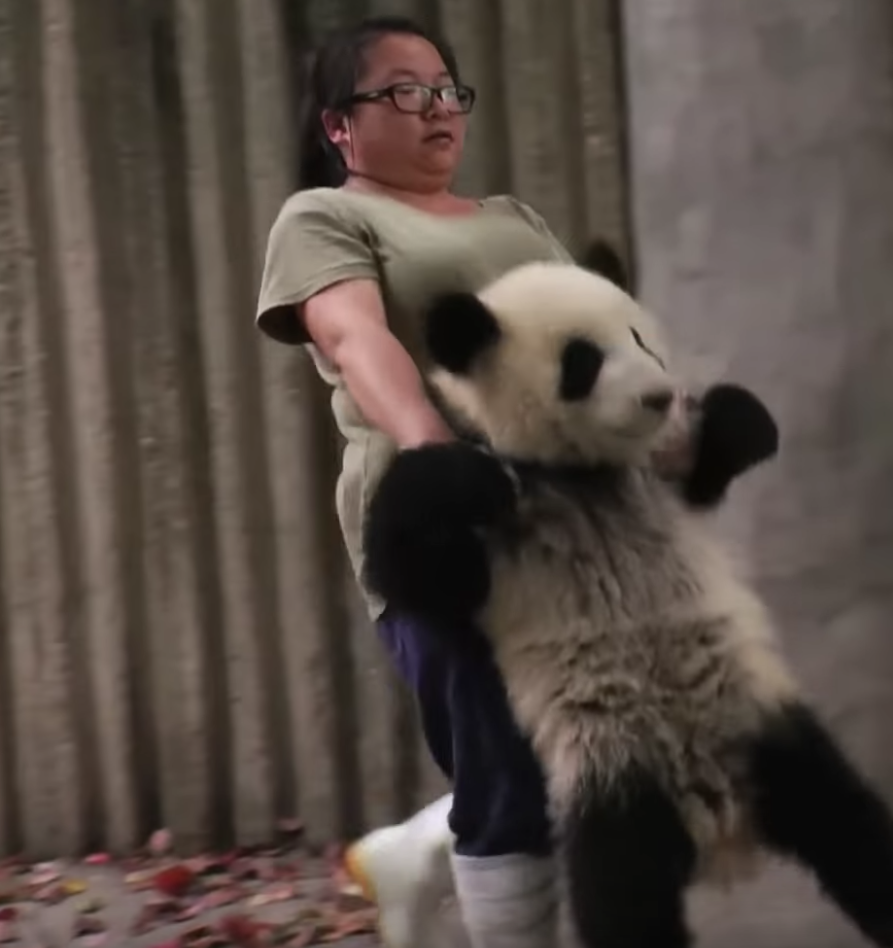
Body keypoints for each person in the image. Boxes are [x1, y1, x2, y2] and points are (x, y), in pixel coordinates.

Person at [256, 15, 694, 948]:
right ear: (342, 125)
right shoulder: (326, 216)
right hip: (445, 539)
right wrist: (429, 445)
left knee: (582, 751)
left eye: (447, 89)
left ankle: (417, 854)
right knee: (503, 755)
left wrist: (672, 433)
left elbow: (604, 339)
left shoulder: (514, 221)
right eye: (403, 92)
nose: (436, 108)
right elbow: (353, 335)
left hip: (573, 531)